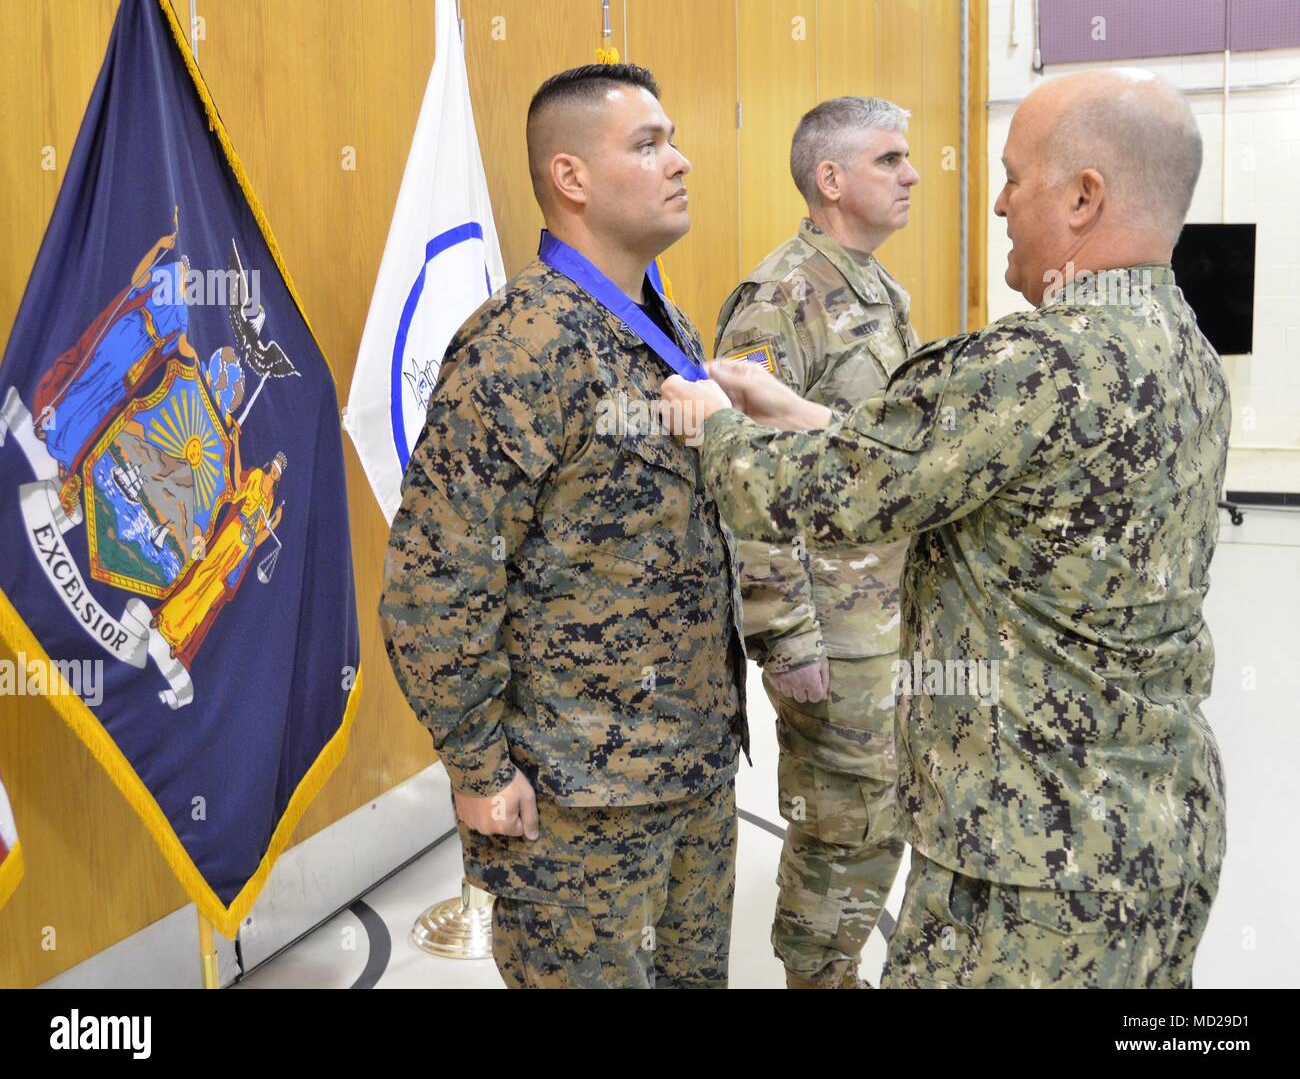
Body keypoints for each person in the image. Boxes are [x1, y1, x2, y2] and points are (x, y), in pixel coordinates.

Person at [665, 69, 1228, 989]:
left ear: (1086, 198)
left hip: (1030, 855)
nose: (997, 203)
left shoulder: (1037, 357)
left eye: (1015, 178)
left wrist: (716, 422)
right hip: (1157, 817)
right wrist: (794, 414)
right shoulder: (1181, 345)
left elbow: (846, 486)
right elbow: (952, 460)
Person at [380, 63, 747, 989]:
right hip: (577, 802)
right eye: (649, 144)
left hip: (692, 770)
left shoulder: (665, 324)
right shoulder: (519, 346)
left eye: (673, 140)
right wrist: (475, 763)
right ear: (571, 177)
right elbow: (437, 577)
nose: (682, 161)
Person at [713, 96, 920, 988]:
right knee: (842, 822)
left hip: (889, 619)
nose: (912, 175)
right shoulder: (779, 298)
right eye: (890, 160)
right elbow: (744, 479)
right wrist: (783, 634)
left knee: (882, 812)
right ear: (830, 180)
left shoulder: (881, 289)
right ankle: (818, 978)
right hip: (832, 631)